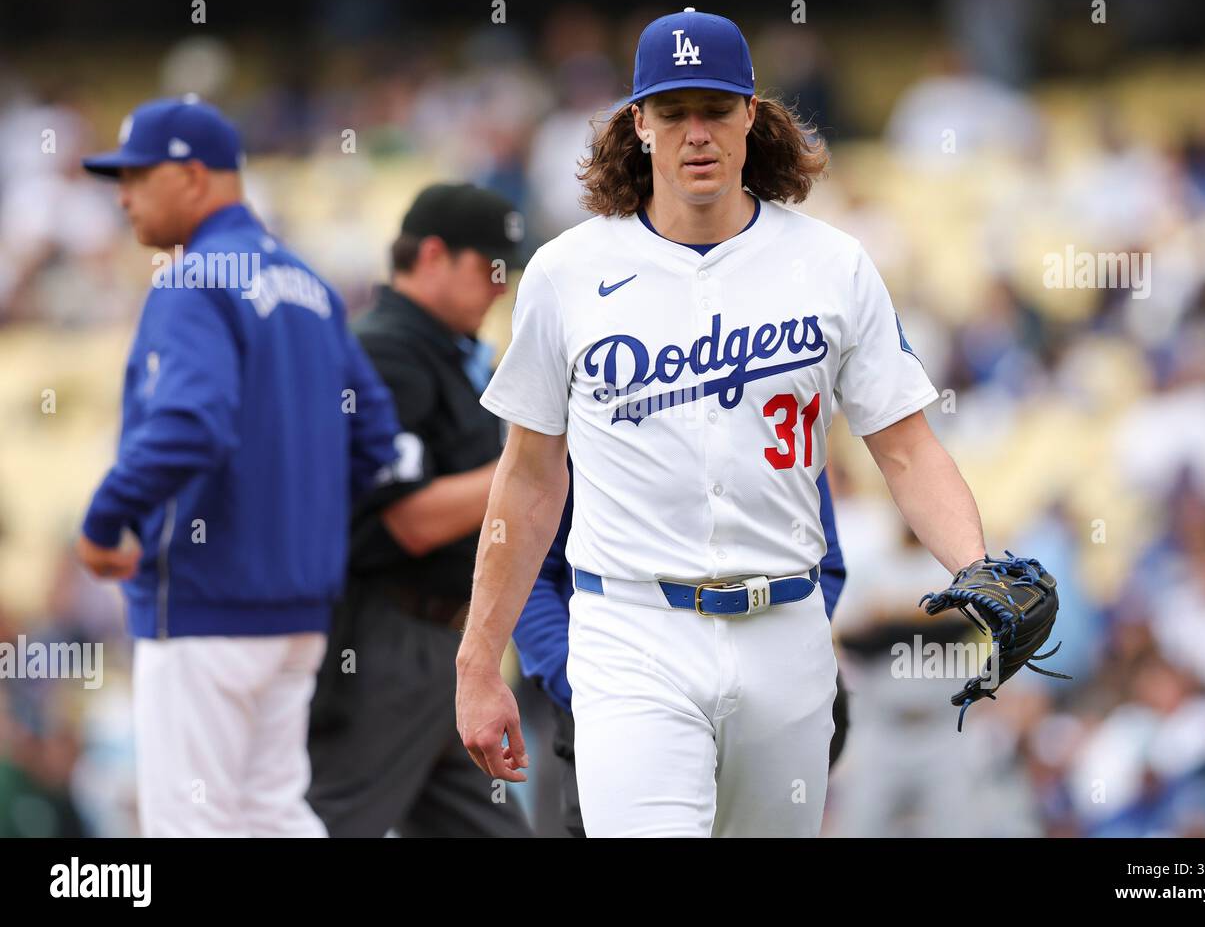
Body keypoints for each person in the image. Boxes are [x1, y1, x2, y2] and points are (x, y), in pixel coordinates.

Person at [456, 8, 988, 837]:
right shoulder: (565, 273)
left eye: (714, 108)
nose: (695, 133)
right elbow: (527, 478)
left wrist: (977, 569)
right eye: (672, 112)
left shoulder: (832, 263)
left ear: (751, 112)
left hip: (787, 632)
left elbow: (909, 451)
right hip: (632, 630)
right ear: (638, 123)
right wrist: (478, 660)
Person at [76, 96, 401, 837]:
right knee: (271, 815)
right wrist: (294, 524)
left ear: (192, 176)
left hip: (206, 605)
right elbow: (378, 441)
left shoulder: (192, 280)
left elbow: (190, 424)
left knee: (192, 827)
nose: (122, 195)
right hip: (296, 611)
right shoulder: (310, 287)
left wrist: (103, 521)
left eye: (136, 175)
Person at [307, 183, 533, 837]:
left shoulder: (450, 353)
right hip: (385, 640)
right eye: (490, 267)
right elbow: (410, 519)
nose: (500, 287)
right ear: (433, 255)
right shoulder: (384, 350)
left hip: (444, 647)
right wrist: (534, 472)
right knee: (328, 825)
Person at [515, 465, 850, 836]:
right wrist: (588, 680)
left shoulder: (774, 426)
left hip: (765, 701)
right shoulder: (592, 431)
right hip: (611, 691)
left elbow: (824, 567)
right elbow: (528, 573)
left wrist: (784, 655)